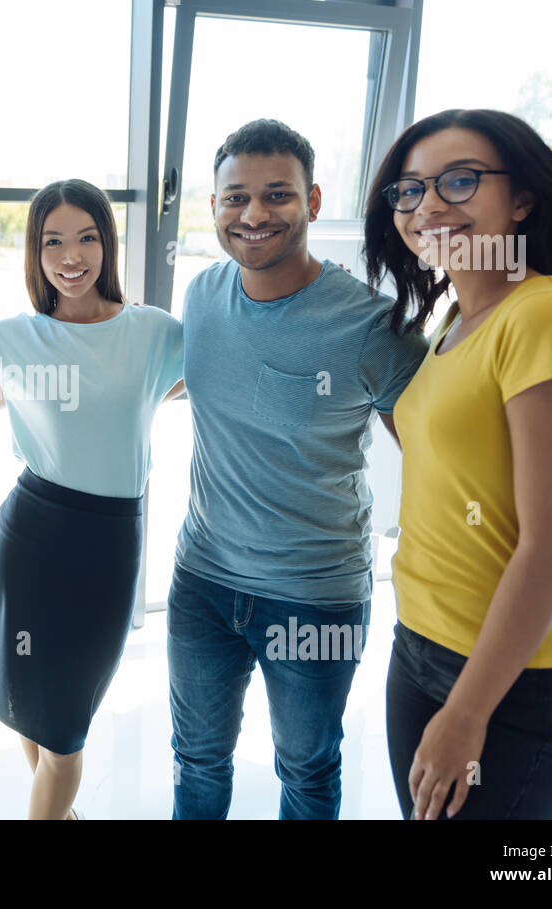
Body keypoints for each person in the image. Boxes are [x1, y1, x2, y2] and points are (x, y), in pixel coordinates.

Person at [168, 119, 430, 820]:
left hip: (316, 596)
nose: (253, 215)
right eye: (234, 198)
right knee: (195, 760)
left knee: (307, 771)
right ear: (215, 206)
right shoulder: (200, 297)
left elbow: (439, 449)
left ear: (312, 200)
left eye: (276, 195)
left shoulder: (372, 326)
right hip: (202, 582)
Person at [363, 108, 552, 820]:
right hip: (422, 646)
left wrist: (468, 713)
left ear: (523, 198)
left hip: (513, 683)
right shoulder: (455, 321)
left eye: (459, 181)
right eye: (409, 191)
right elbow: (473, 467)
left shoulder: (542, 316)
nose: (429, 205)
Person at [0, 179, 185, 819]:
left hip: (110, 546)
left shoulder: (151, 332)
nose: (71, 256)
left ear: (108, 244)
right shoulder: (20, 336)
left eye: (87, 237)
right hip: (29, 539)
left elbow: (222, 363)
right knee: (35, 710)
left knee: (66, 730)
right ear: (35, 253)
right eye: (53, 241)